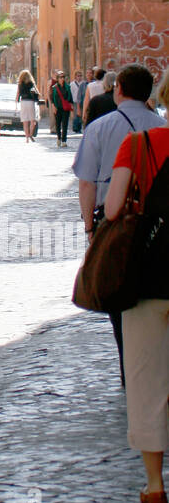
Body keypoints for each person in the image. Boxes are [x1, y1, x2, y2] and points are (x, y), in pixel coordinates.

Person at [73, 65, 168, 383]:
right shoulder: (161, 127)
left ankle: (133, 372)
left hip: (119, 223)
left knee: (122, 296)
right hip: (161, 225)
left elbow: (87, 183)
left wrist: (90, 227)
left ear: (119, 90)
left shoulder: (100, 128)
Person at [103, 66, 169, 503]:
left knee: (146, 379)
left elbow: (111, 210)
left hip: (148, 275)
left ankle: (153, 484)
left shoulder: (140, 143)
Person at [16, 70, 40, 142]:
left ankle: (26, 138)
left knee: (25, 121)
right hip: (30, 102)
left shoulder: (20, 84)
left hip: (23, 102)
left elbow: (17, 94)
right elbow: (37, 93)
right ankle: (30, 135)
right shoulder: (32, 83)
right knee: (32, 120)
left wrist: (16, 104)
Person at [52, 71, 74, 147]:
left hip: (65, 109)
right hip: (58, 108)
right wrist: (53, 107)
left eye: (63, 77)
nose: (62, 79)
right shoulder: (54, 87)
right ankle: (59, 138)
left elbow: (70, 97)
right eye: (60, 77)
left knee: (65, 125)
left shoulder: (67, 87)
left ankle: (64, 141)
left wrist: (71, 106)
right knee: (57, 124)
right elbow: (52, 98)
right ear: (57, 79)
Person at [70, 70, 85, 134]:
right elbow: (71, 93)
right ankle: (76, 128)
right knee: (76, 115)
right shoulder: (72, 84)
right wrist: (70, 103)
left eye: (80, 76)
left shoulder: (84, 83)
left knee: (81, 115)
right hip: (75, 101)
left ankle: (80, 127)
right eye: (78, 76)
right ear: (75, 76)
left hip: (82, 101)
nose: (79, 77)